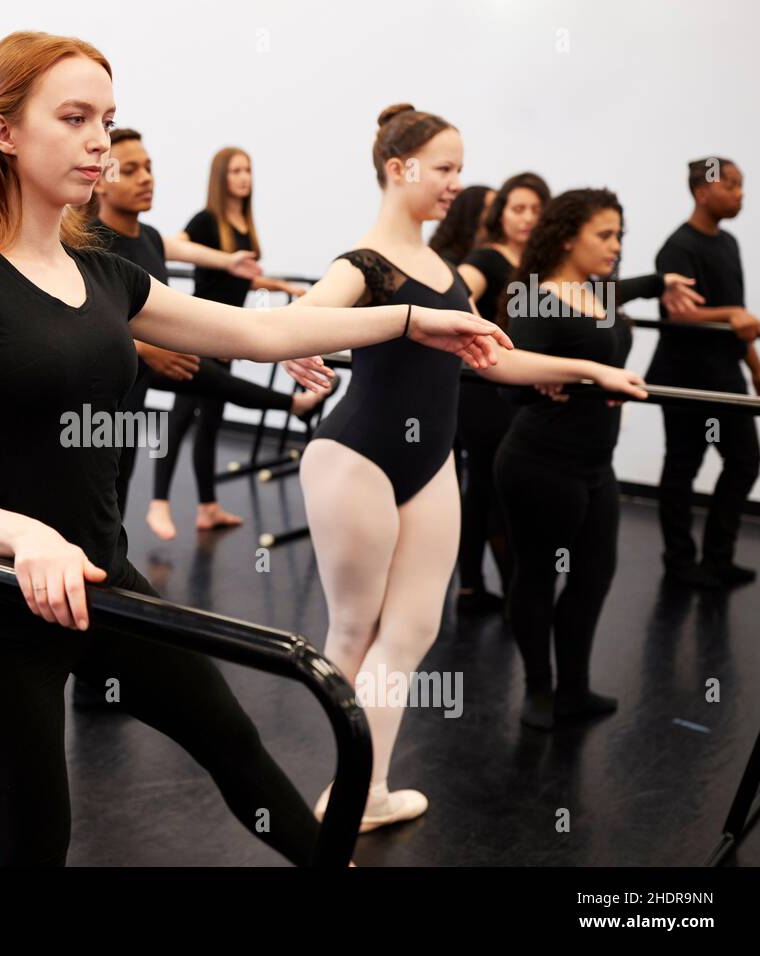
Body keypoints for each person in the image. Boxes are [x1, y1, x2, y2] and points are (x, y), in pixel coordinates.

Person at [0, 35, 510, 866]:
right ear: (4, 132)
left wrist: (405, 318)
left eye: (104, 120)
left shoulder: (103, 269)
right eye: (73, 119)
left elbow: (262, 333)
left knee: (236, 745)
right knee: (36, 844)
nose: (98, 142)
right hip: (4, 616)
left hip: (107, 583)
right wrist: (25, 536)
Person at [281, 105, 648, 832]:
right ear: (399, 168)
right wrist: (296, 335)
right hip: (354, 456)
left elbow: (497, 356)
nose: (456, 183)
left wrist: (586, 369)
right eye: (445, 169)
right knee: (354, 630)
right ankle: (342, 792)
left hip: (430, 461)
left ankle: (371, 788)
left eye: (458, 168)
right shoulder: (363, 264)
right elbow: (313, 306)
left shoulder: (445, 270)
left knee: (412, 630)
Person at [494, 188, 702, 728]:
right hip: (540, 463)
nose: (615, 246)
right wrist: (572, 374)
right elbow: (510, 384)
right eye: (604, 235)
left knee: (593, 576)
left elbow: (626, 292)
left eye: (619, 236)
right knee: (539, 576)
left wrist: (662, 283)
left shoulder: (599, 292)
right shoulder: (534, 296)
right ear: (567, 237)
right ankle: (539, 690)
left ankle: (575, 688)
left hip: (594, 464)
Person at [89, 127, 332, 520]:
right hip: (93, 410)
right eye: (130, 170)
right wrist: (146, 348)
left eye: (148, 167)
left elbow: (175, 294)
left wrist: (235, 287)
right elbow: (75, 324)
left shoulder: (149, 238)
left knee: (116, 499)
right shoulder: (88, 242)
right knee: (94, 502)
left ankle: (292, 406)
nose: (147, 177)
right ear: (99, 181)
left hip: (133, 397)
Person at [145, 147, 311, 541]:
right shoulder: (206, 221)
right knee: (181, 417)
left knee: (211, 423)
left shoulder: (242, 224)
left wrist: (282, 286)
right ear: (221, 177)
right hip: (201, 334)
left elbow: (240, 279)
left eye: (248, 170)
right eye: (235, 170)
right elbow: (168, 244)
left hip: (228, 337)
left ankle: (208, 507)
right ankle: (158, 504)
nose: (243, 177)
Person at [647, 156, 760, 589]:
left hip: (724, 373)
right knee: (683, 464)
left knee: (745, 460)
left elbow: (740, 320)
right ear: (702, 191)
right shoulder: (679, 247)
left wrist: (754, 366)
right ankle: (679, 563)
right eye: (731, 185)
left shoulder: (728, 243)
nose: (740, 193)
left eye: (741, 185)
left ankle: (717, 558)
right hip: (684, 376)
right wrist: (732, 313)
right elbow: (678, 314)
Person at [452, 172, 550, 613]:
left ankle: (474, 587)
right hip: (483, 390)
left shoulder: (536, 261)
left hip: (515, 387)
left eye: (535, 209)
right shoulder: (487, 257)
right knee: (490, 490)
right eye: (518, 208)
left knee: (482, 491)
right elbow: (458, 283)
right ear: (500, 214)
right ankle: (505, 592)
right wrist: (479, 328)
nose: (528, 218)